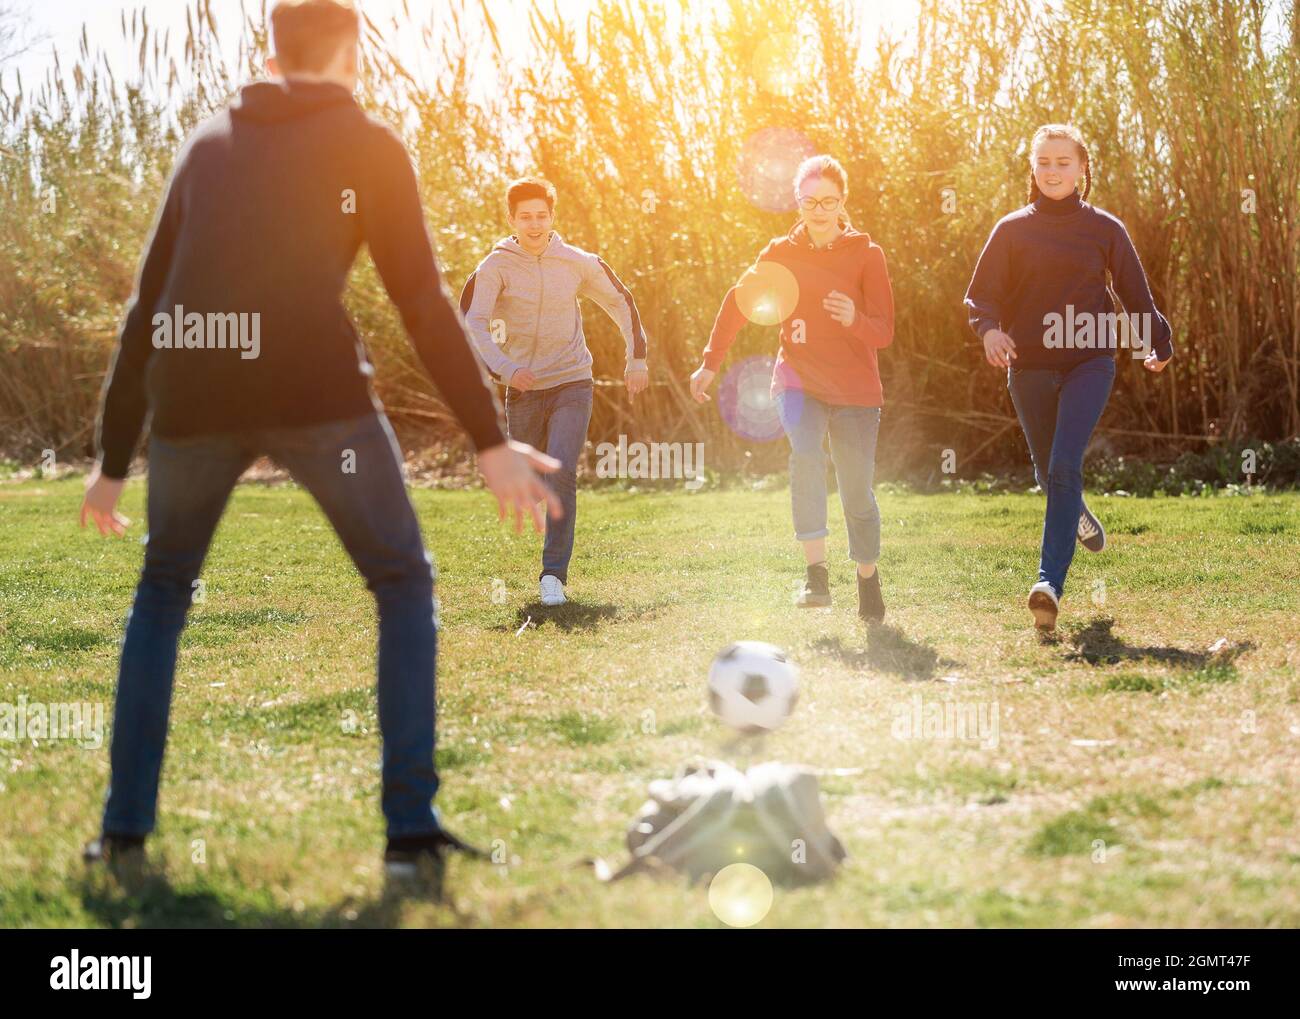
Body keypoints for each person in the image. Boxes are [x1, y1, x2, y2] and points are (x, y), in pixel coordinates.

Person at [78, 0, 559, 879]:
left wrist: (111, 464)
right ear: (350, 53)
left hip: (191, 395)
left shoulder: (208, 142)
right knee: (402, 580)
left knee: (163, 586)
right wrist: (489, 440)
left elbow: (146, 309)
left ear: (276, 49)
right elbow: (421, 301)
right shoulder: (367, 146)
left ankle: (122, 834)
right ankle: (410, 830)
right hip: (316, 394)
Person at [964, 123, 1173, 630]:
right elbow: (981, 295)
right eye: (1044, 162)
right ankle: (1077, 514)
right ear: (1032, 169)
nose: (1053, 171)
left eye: (1063, 162)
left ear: (1082, 168)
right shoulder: (1011, 229)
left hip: (1090, 361)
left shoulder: (1105, 228)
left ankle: (1047, 584)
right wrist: (989, 330)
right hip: (1029, 366)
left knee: (1062, 465)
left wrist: (1158, 341)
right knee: (1046, 473)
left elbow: (1134, 292)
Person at [690, 155, 895, 622]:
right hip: (797, 382)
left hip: (856, 390)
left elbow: (884, 331)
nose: (819, 210)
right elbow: (737, 303)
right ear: (797, 203)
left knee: (857, 491)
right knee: (805, 454)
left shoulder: (867, 254)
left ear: (842, 202)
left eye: (828, 201)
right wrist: (710, 363)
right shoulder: (780, 253)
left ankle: (867, 578)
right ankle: (816, 576)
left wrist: (855, 319)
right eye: (809, 201)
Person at [460, 177, 649, 606]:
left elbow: (620, 300)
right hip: (523, 389)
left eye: (541, 216)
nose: (534, 224)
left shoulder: (575, 261)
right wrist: (506, 369)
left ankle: (553, 576)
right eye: (525, 217)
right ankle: (544, 552)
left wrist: (636, 355)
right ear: (510, 219)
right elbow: (472, 322)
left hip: (572, 381)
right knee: (527, 481)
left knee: (561, 470)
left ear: (552, 217)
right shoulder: (495, 267)